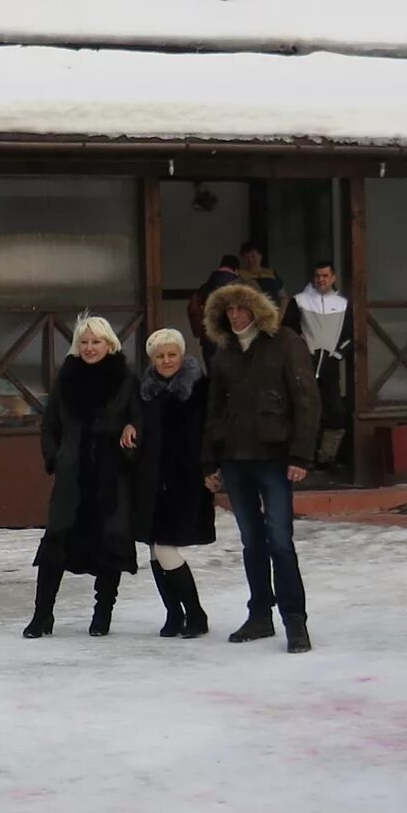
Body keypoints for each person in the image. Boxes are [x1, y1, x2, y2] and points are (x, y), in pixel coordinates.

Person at [200, 278, 319, 653]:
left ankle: (295, 622)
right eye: (228, 310)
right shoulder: (222, 353)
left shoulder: (285, 343)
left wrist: (301, 455)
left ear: (255, 309)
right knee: (252, 543)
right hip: (235, 459)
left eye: (241, 308)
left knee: (280, 542)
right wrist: (210, 461)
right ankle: (260, 616)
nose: (235, 316)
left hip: (274, 457)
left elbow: (306, 399)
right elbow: (214, 410)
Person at [27, 316, 140, 639]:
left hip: (110, 475)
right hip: (72, 475)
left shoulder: (125, 379)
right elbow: (49, 426)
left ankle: (102, 615)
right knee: (55, 546)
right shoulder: (66, 378)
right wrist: (56, 459)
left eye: (96, 342)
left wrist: (133, 431)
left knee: (109, 545)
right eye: (85, 342)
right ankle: (42, 616)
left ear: (110, 344)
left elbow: (137, 418)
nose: (90, 348)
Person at [127, 326, 215, 639]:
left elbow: (210, 432)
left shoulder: (200, 388)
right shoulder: (145, 391)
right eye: (160, 356)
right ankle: (174, 614)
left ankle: (196, 614)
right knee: (154, 550)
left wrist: (211, 468)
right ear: (151, 359)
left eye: (172, 354)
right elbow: (135, 424)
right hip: (151, 481)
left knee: (165, 547)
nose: (166, 360)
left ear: (182, 354)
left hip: (186, 479)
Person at [295, 263, 353, 468]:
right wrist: (300, 352)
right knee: (305, 411)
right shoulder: (300, 301)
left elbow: (351, 334)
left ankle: (327, 456)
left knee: (334, 411)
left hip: (330, 367)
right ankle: (304, 457)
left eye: (325, 275)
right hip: (305, 365)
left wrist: (337, 354)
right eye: (317, 275)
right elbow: (289, 331)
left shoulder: (343, 304)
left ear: (333, 277)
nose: (321, 279)